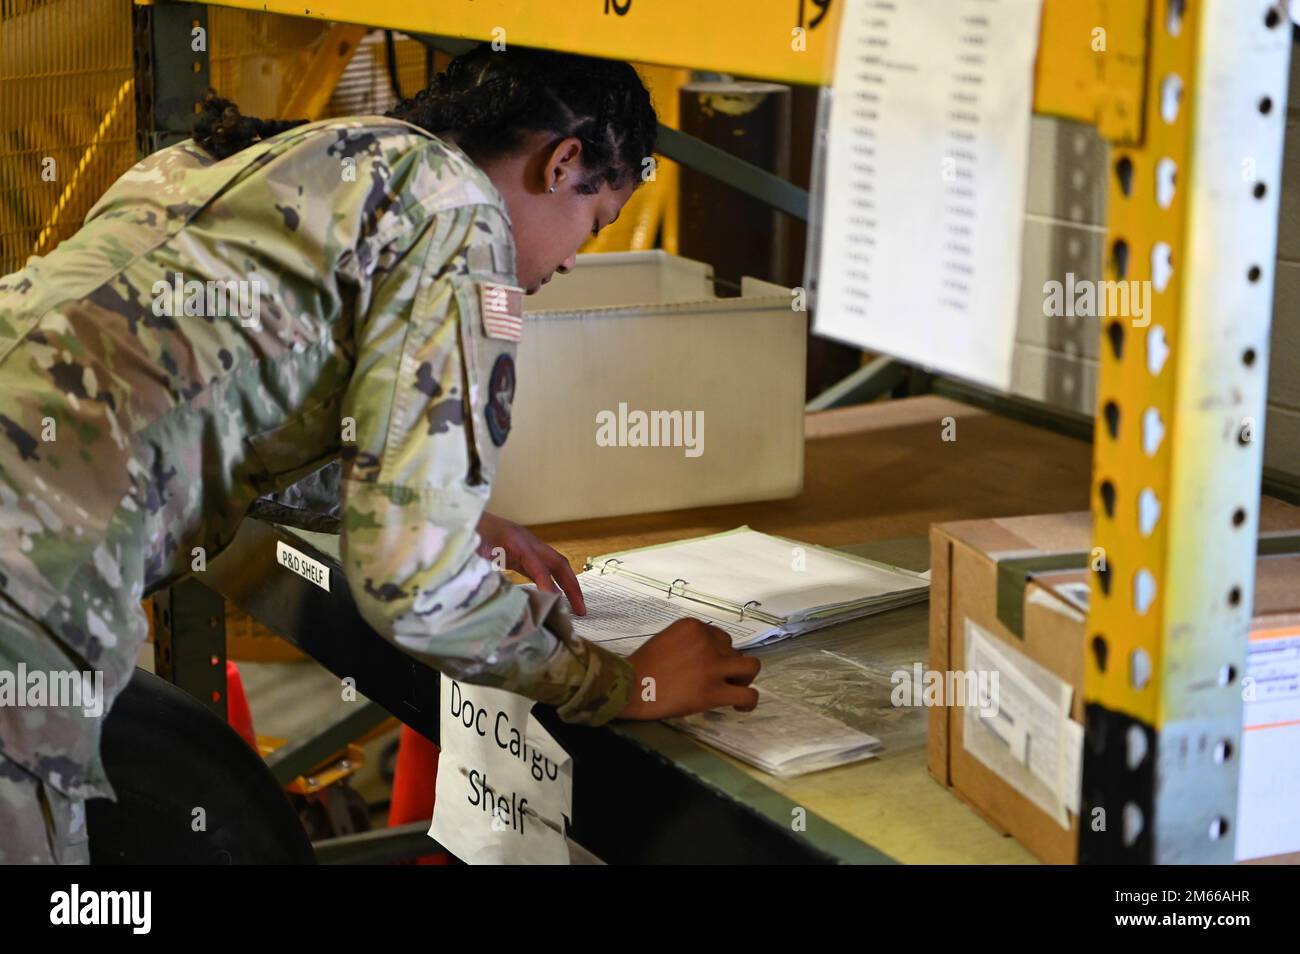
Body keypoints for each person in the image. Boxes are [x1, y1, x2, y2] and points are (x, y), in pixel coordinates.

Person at [0, 44, 759, 864]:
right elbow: (412, 587)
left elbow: (222, 395)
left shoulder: (271, 159)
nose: (574, 259)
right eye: (594, 220)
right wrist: (621, 683)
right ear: (562, 162)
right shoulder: (460, 220)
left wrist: (446, 514)